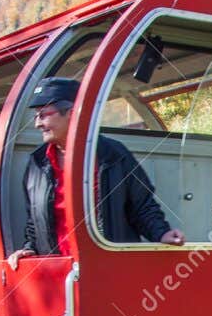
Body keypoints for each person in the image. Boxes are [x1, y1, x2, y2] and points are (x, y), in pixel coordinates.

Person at [10, 75, 183, 268]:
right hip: (62, 274)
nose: (37, 124)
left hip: (108, 271)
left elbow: (142, 207)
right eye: (36, 116)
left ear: (72, 113)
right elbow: (35, 221)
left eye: (43, 115)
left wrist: (162, 233)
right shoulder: (36, 164)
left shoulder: (115, 155)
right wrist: (29, 247)